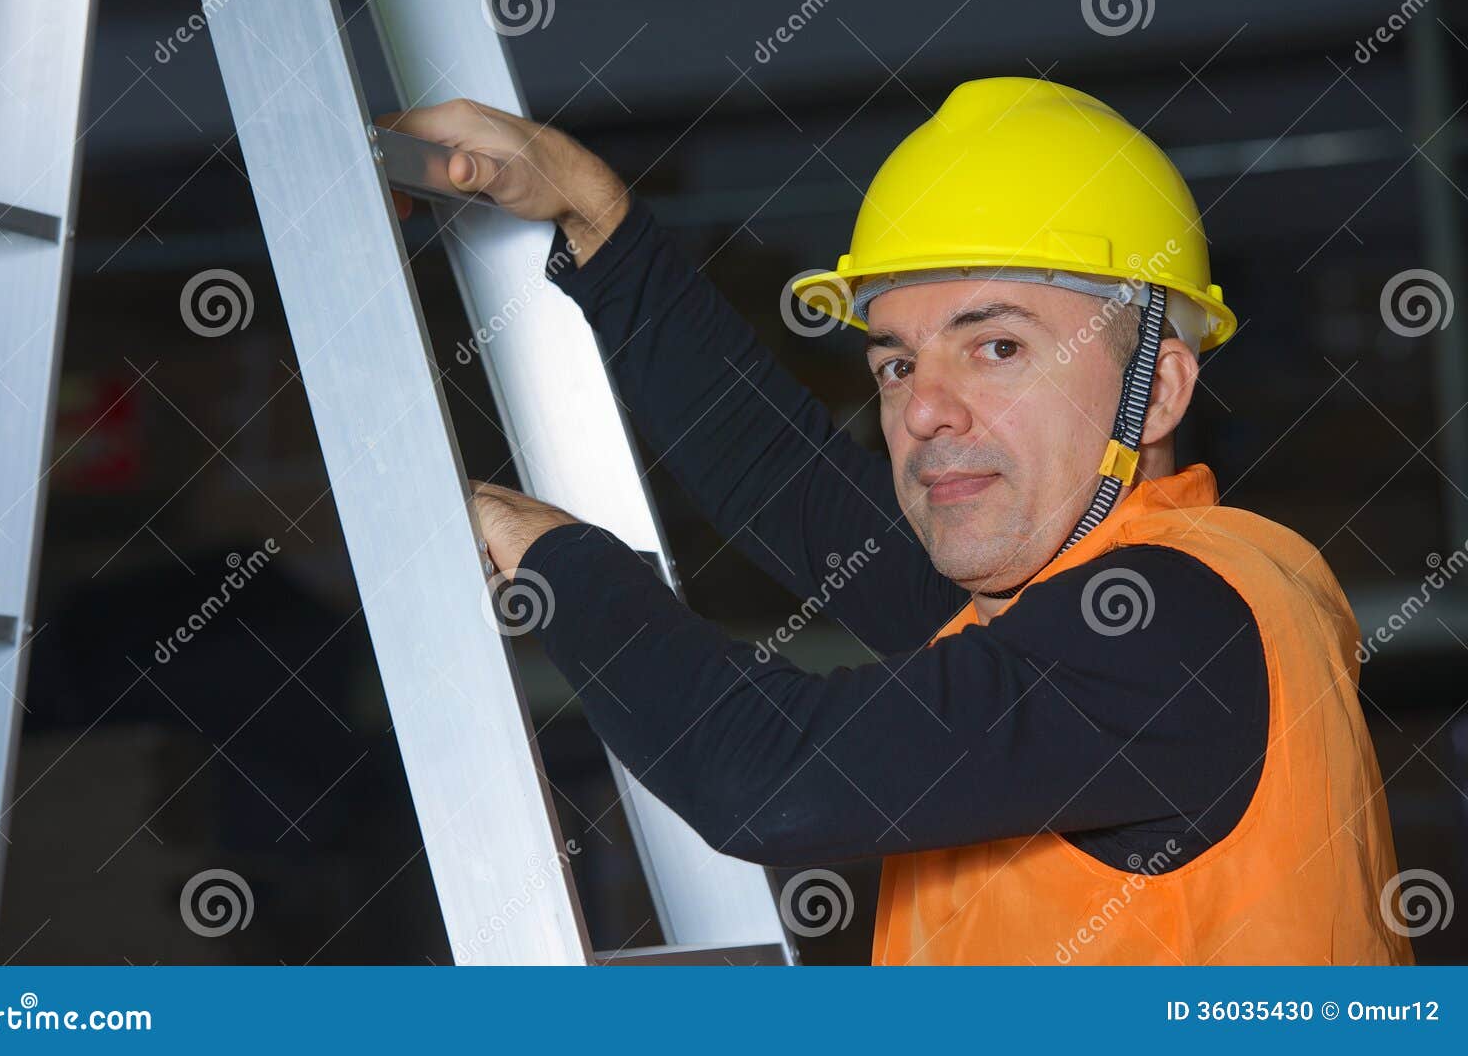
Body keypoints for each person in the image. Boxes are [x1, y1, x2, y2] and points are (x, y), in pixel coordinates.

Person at [378, 77, 1413, 965]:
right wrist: (593, 217)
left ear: (1158, 390)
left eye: (996, 346)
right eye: (894, 363)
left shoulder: (1175, 627)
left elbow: (767, 780)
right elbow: (789, 487)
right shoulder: (1071, 613)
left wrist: (556, 559)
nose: (921, 410)